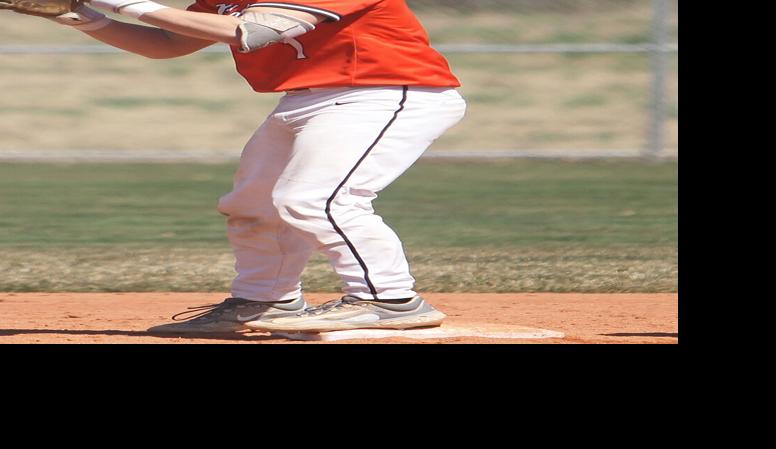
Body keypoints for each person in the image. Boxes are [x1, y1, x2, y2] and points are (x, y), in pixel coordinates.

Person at [6, 0, 466, 334]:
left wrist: (123, 2)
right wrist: (81, 16)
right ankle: (265, 302)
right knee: (254, 203)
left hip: (388, 92)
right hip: (309, 99)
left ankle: (390, 301)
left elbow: (253, 32)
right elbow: (166, 44)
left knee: (316, 200)